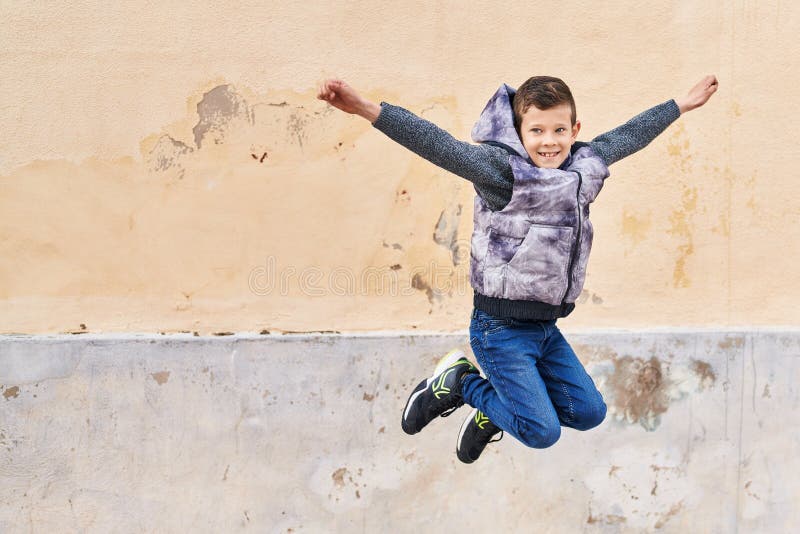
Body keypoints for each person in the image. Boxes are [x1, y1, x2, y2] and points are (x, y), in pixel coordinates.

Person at [318, 74, 718, 463]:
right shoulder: (503, 172)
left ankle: (493, 411)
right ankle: (460, 382)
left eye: (559, 129)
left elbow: (629, 136)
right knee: (541, 431)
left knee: (588, 413)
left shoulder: (584, 167)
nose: (549, 141)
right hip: (500, 330)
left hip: (545, 328)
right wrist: (367, 109)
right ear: (518, 131)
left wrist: (680, 105)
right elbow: (438, 145)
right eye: (537, 131)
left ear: (575, 129)